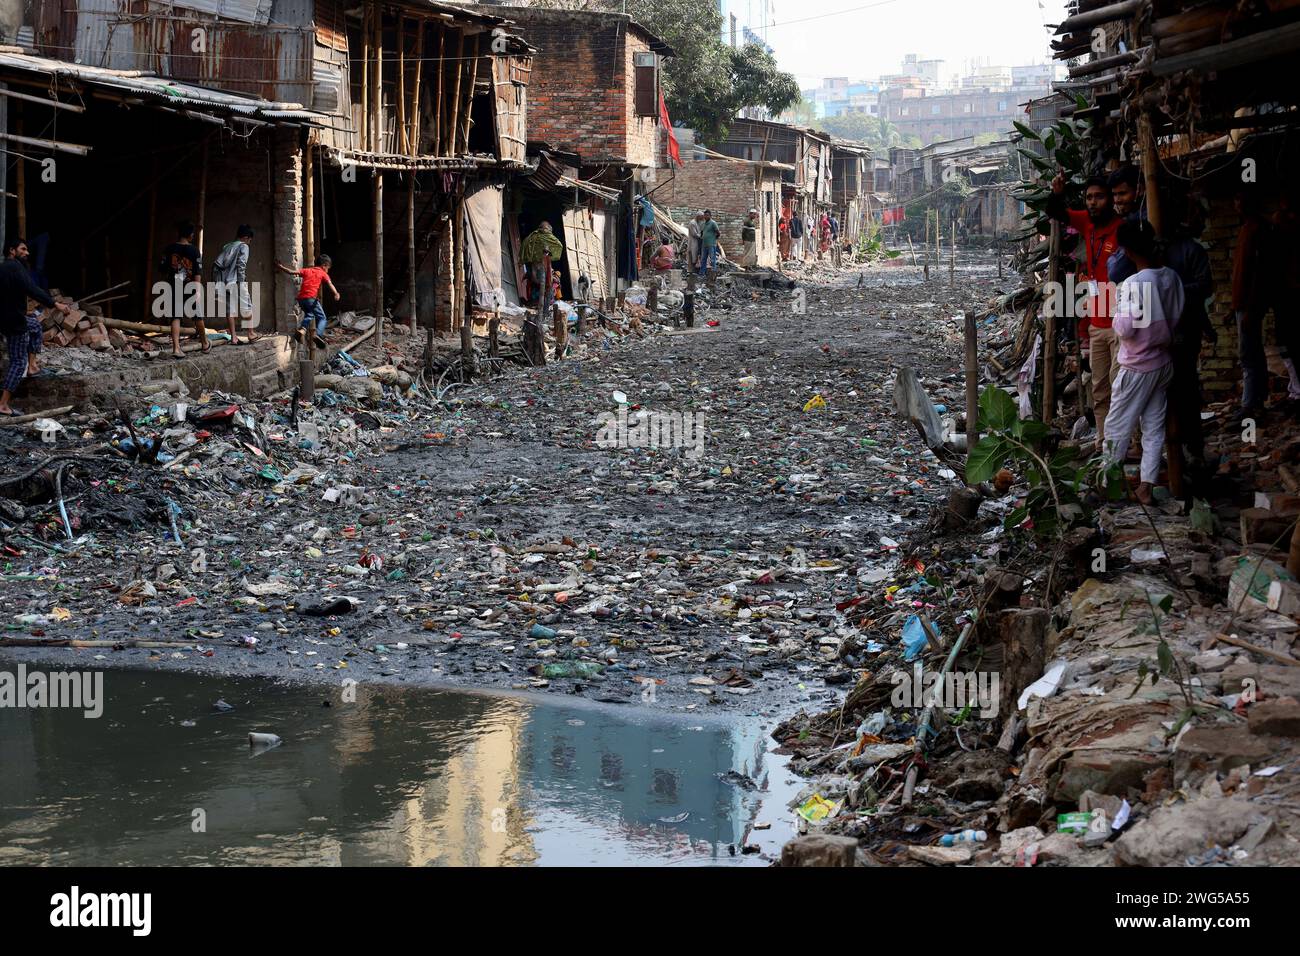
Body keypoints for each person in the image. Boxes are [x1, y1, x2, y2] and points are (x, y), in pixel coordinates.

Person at [1104, 220, 1184, 505]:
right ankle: (1146, 486)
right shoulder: (1171, 277)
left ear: (1126, 251)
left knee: (1117, 427)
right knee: (1154, 427)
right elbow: (1176, 314)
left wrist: (1115, 310)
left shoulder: (1135, 284)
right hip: (1163, 362)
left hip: (1137, 365)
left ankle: (1107, 485)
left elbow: (1125, 329)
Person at [1047, 171, 1122, 446]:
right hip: (1096, 324)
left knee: (1121, 388)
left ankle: (1130, 443)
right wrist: (1057, 190)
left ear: (1111, 199)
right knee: (1100, 390)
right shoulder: (1087, 224)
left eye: (1099, 197)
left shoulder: (1123, 229)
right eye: (1089, 197)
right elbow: (1056, 212)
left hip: (1120, 324)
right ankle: (1106, 443)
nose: (1092, 202)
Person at [0, 237, 71, 416]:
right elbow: (32, 289)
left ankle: (33, 366)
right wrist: (56, 304)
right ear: (11, 250)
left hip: (10, 317)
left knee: (35, 326)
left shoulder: (5, 268)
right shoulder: (14, 267)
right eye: (23, 249)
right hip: (14, 322)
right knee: (17, 362)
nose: (27, 253)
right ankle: (3, 404)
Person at [1230, 191, 1271, 420]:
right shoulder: (1247, 229)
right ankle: (1256, 401)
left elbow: (1259, 275)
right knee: (1252, 352)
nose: (1236, 204)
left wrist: (1251, 308)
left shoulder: (1257, 230)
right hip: (1243, 303)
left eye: (1240, 199)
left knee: (1248, 354)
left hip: (1250, 304)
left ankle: (1251, 404)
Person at [159, 219, 208, 359]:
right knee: (197, 315)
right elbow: (197, 272)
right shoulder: (194, 250)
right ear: (190, 235)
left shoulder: (169, 249)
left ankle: (176, 348)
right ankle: (204, 343)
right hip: (190, 286)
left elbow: (162, 269)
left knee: (175, 316)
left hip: (172, 286)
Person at [275, 254, 338, 349]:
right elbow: (330, 284)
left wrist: (281, 267)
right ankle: (319, 334)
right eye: (328, 268)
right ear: (324, 265)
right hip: (311, 299)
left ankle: (302, 330)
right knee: (322, 318)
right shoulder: (323, 273)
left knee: (309, 315)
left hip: (301, 299)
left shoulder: (307, 270)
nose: (327, 270)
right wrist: (336, 293)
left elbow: (291, 272)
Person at [211, 225, 257, 345]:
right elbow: (241, 265)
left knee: (229, 309)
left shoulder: (227, 246)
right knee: (247, 306)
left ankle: (234, 338)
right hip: (236, 281)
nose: (249, 243)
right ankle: (251, 334)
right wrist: (242, 283)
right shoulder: (243, 246)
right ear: (246, 238)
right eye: (250, 240)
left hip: (222, 281)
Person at [1106, 166, 1144, 284]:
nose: (1117, 200)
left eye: (1122, 193)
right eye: (1115, 194)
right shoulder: (1130, 218)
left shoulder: (1140, 223)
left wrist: (1113, 258)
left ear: (1139, 190)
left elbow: (1115, 271)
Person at [521, 221, 563, 305]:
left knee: (554, 277)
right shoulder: (548, 238)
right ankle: (545, 302)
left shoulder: (531, 238)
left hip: (537, 269)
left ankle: (541, 302)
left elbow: (524, 250)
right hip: (539, 270)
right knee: (550, 281)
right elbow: (559, 246)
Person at [698, 210, 720, 277]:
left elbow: (718, 232)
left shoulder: (713, 223)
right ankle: (702, 273)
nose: (705, 216)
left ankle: (713, 273)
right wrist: (702, 237)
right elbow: (702, 232)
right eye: (705, 215)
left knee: (712, 259)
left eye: (707, 215)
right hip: (704, 245)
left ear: (710, 216)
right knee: (703, 259)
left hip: (711, 244)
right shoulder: (704, 224)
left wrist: (714, 239)